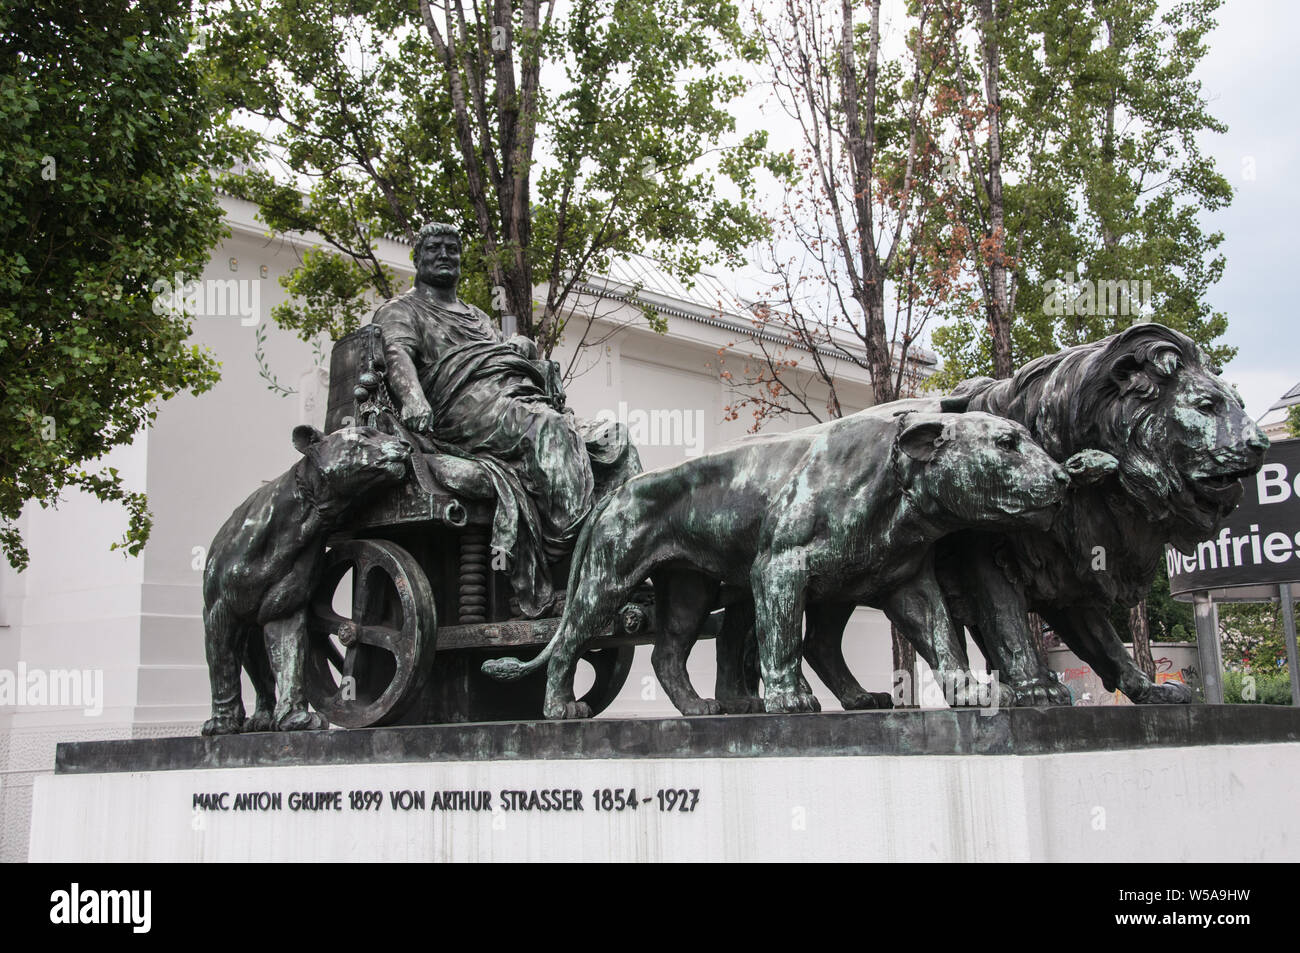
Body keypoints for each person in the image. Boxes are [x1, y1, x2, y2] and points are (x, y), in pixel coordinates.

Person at [374, 222, 637, 617]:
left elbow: (501, 357)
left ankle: (627, 558)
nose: (444, 255)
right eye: (434, 248)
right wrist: (413, 400)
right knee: (549, 429)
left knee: (612, 438)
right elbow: (397, 356)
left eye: (451, 249)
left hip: (512, 399)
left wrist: (522, 350)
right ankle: (567, 569)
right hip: (458, 412)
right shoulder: (401, 310)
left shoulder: (478, 316)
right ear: (417, 257)